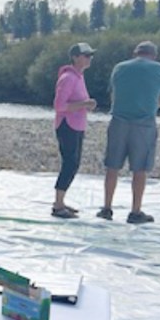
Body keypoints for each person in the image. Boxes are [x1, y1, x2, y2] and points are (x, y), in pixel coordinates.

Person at [97, 40, 160, 224]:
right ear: (153, 55)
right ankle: (135, 211)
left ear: (135, 53)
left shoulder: (119, 68)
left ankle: (107, 208)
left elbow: (113, 96)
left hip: (118, 121)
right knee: (140, 169)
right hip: (144, 124)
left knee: (112, 166)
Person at [51, 43, 98, 218]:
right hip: (67, 125)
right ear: (75, 57)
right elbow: (59, 105)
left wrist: (85, 105)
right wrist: (84, 104)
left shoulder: (79, 77)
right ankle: (58, 204)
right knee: (69, 163)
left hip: (76, 125)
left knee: (74, 163)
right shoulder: (68, 78)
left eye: (90, 55)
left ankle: (60, 201)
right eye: (86, 55)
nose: (89, 59)